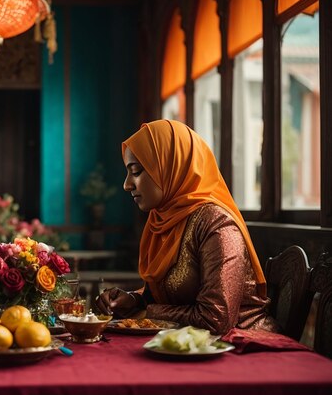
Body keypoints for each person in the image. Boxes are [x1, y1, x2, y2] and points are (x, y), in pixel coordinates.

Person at [95, 119, 278, 335]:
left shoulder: (217, 224)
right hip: (189, 344)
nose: (127, 184)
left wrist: (147, 312)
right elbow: (167, 295)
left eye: (136, 172)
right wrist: (134, 300)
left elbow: (215, 320)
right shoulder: (163, 221)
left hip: (246, 347)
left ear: (170, 167)